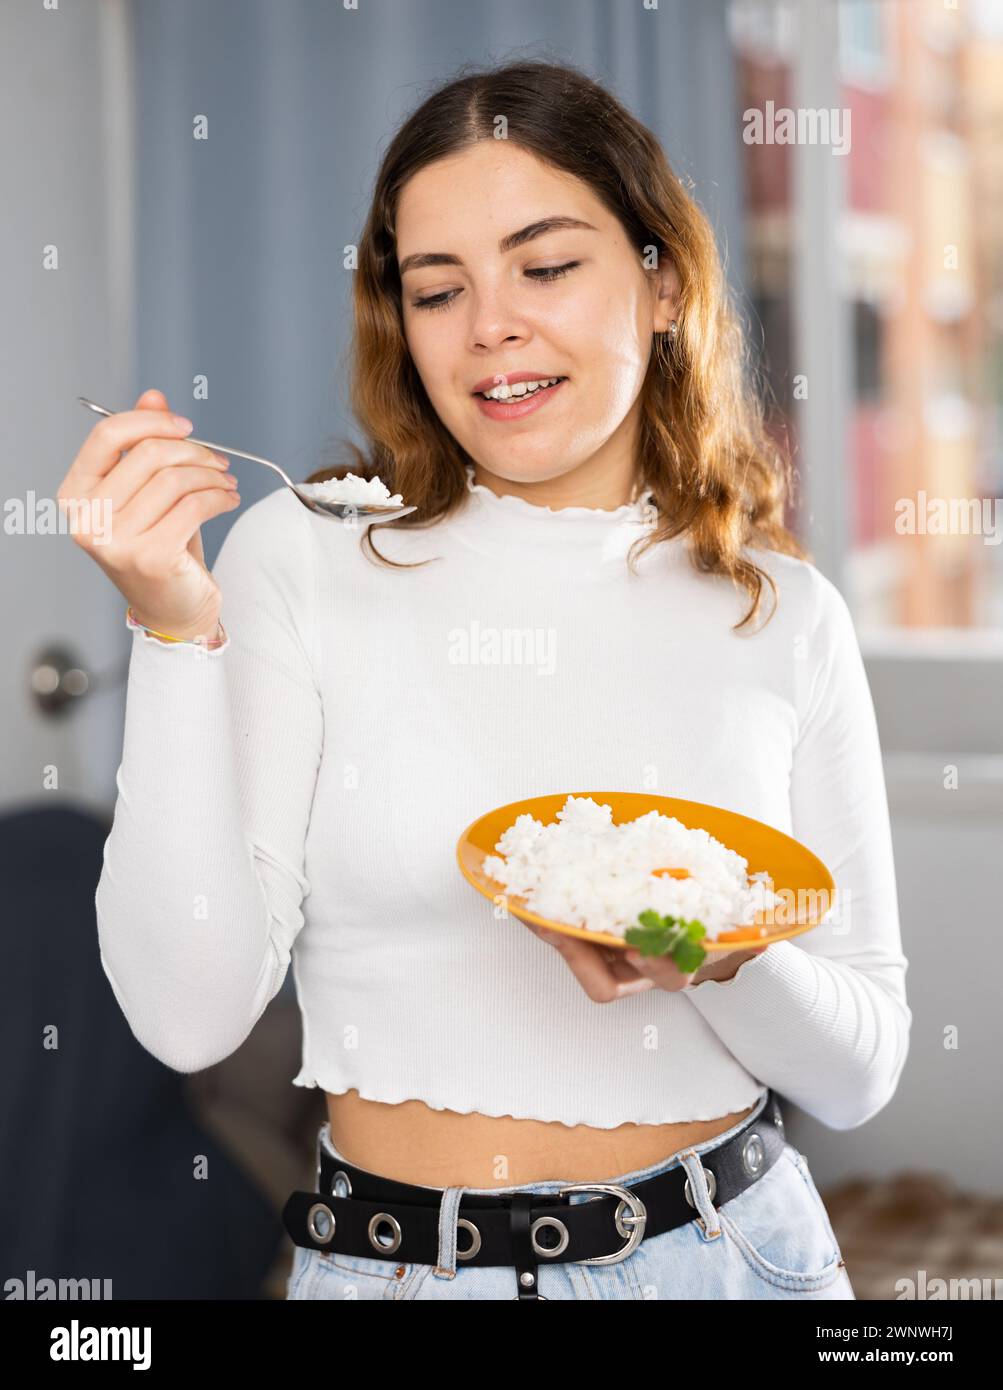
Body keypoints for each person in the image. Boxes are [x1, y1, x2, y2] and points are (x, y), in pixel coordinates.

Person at [60, 60, 910, 1301]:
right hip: (398, 1271)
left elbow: (861, 1067)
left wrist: (718, 953)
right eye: (436, 289)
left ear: (662, 281)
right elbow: (188, 1019)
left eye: (547, 265)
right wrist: (171, 630)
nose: (489, 326)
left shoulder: (782, 613)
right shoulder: (304, 553)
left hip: (730, 1257)